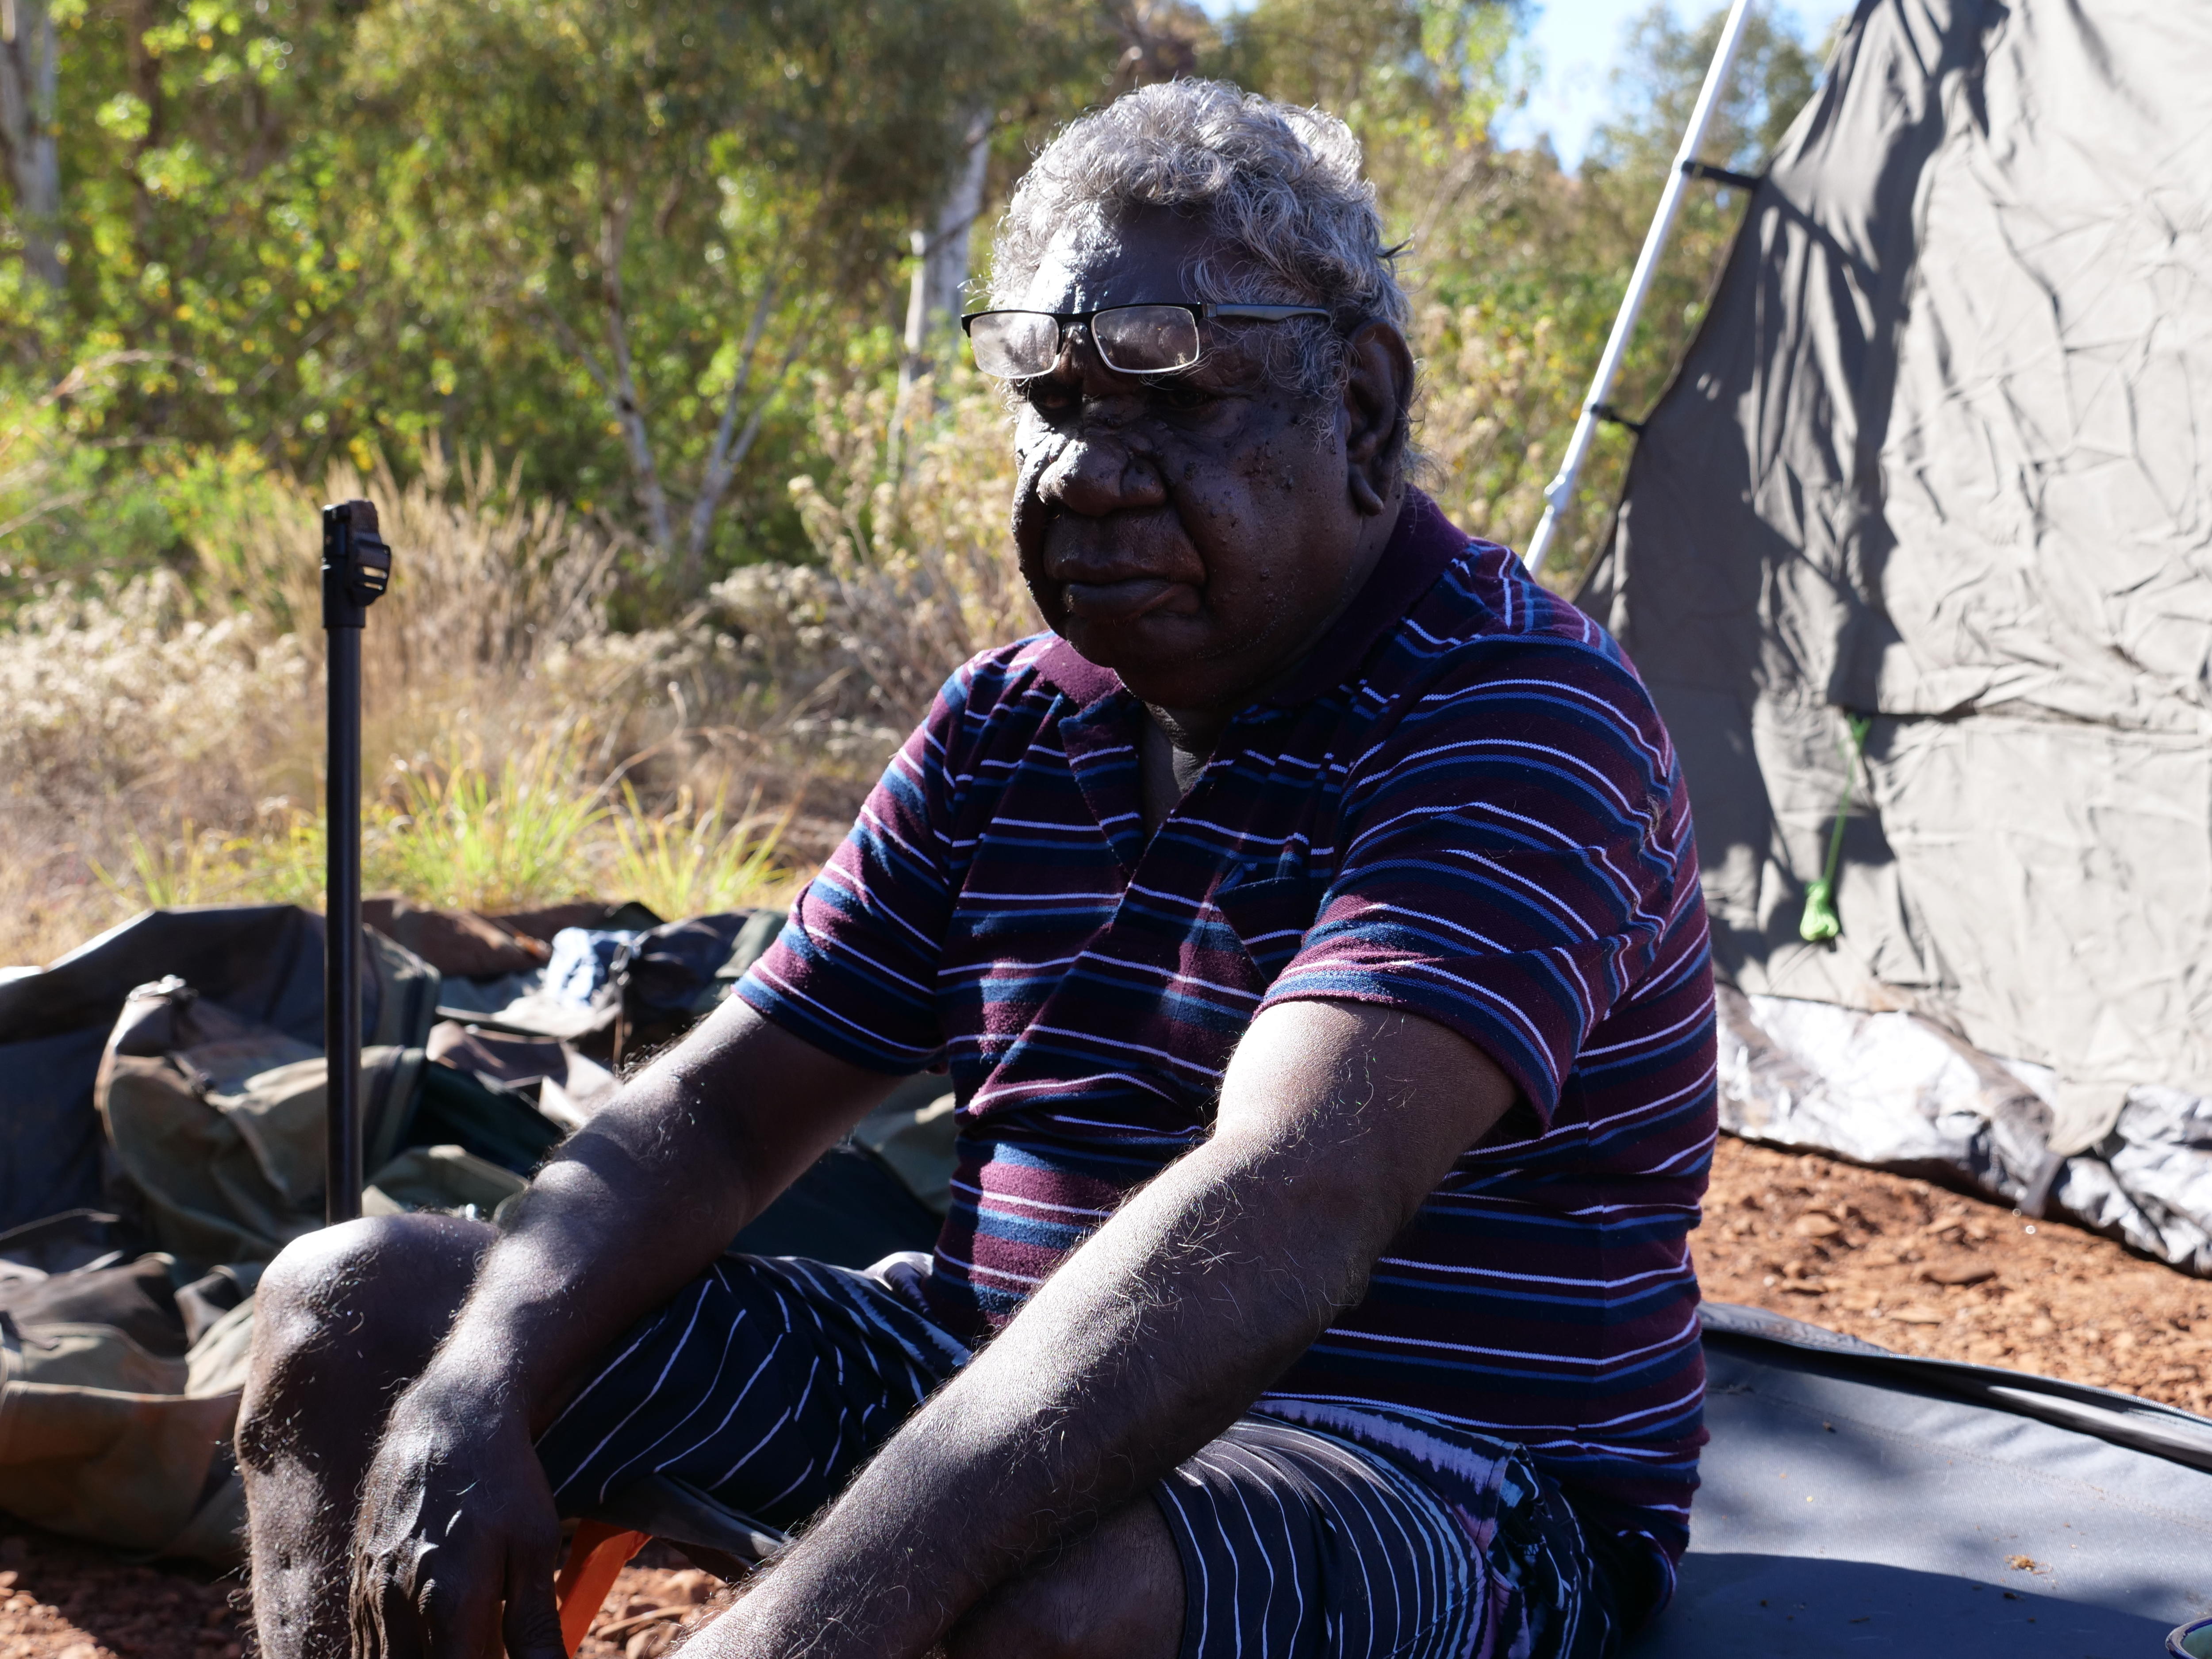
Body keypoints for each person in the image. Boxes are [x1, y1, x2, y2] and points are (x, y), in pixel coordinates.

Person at [238, 80, 1716, 1659]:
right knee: (359, 1313)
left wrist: (810, 1618)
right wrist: (474, 1393)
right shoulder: (1015, 716)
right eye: (1058, 404)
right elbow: (724, 1113)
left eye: (1176, 404)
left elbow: (1291, 1198)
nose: (1085, 473)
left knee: (1041, 1593)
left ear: (1358, 410)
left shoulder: (1512, 710)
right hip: (983, 1363)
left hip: (1436, 1463)